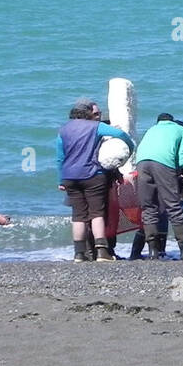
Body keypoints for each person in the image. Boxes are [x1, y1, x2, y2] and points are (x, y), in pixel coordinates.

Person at [57, 97, 135, 262]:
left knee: (78, 216)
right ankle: (102, 252)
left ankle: (79, 254)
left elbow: (60, 157)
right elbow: (120, 133)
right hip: (92, 174)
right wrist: (130, 146)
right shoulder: (96, 127)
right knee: (97, 214)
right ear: (87, 113)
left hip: (70, 176)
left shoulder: (63, 130)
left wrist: (61, 180)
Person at [134, 112, 183, 260]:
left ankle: (153, 251)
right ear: (173, 121)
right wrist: (178, 174)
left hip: (141, 162)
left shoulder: (152, 129)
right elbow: (182, 160)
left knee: (148, 207)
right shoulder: (182, 130)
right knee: (174, 205)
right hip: (162, 163)